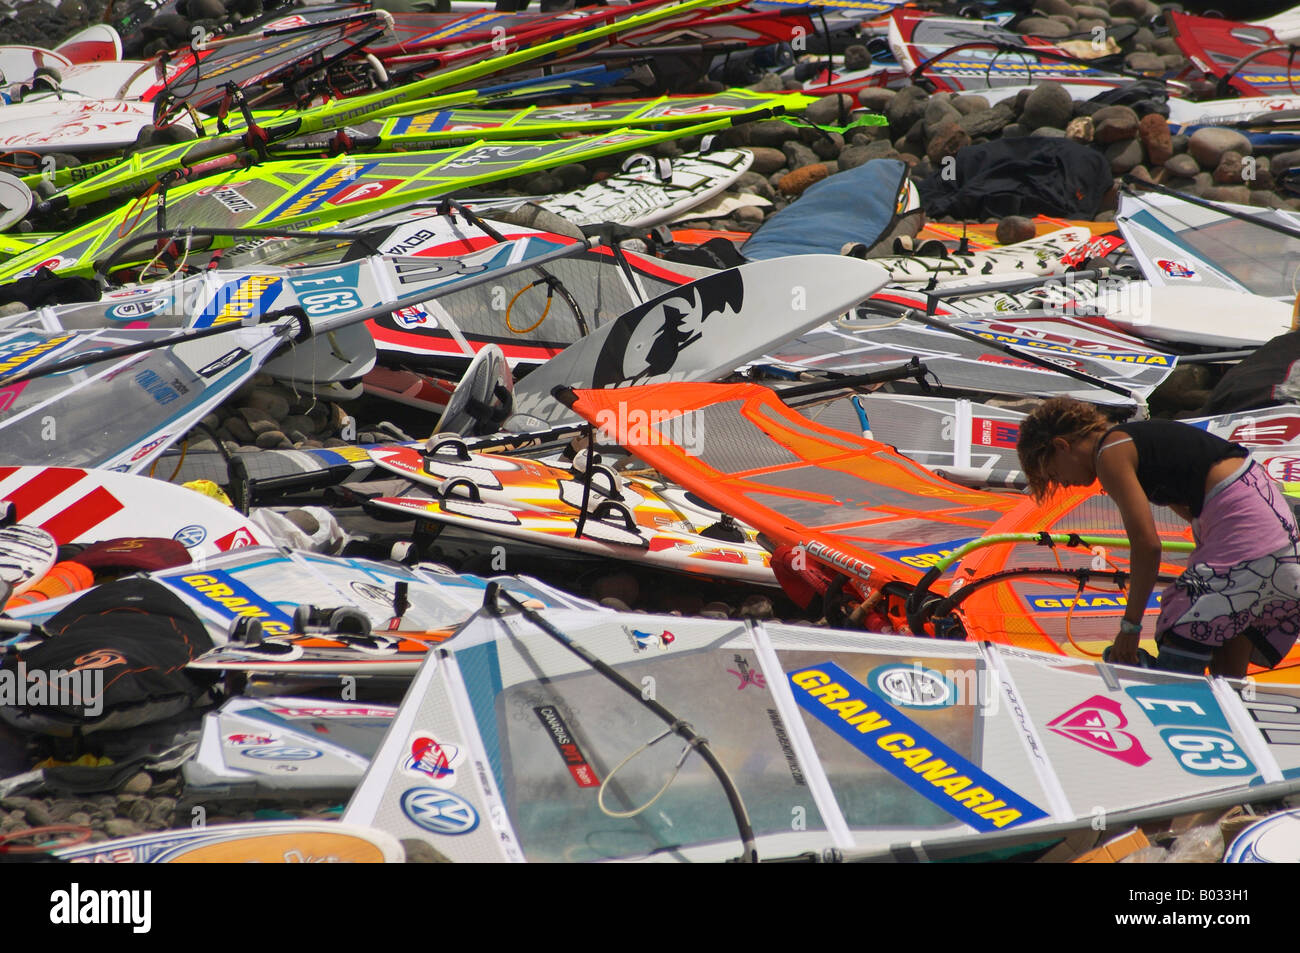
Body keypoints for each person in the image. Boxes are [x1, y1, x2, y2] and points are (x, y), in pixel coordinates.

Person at [1016, 397, 1300, 677]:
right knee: (1226, 676)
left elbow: (1148, 546)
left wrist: (1130, 627)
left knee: (1177, 647)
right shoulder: (1144, 444)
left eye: (1054, 474)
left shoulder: (1110, 453)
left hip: (1252, 544)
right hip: (1281, 542)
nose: (1063, 484)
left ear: (1061, 446)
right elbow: (1202, 513)